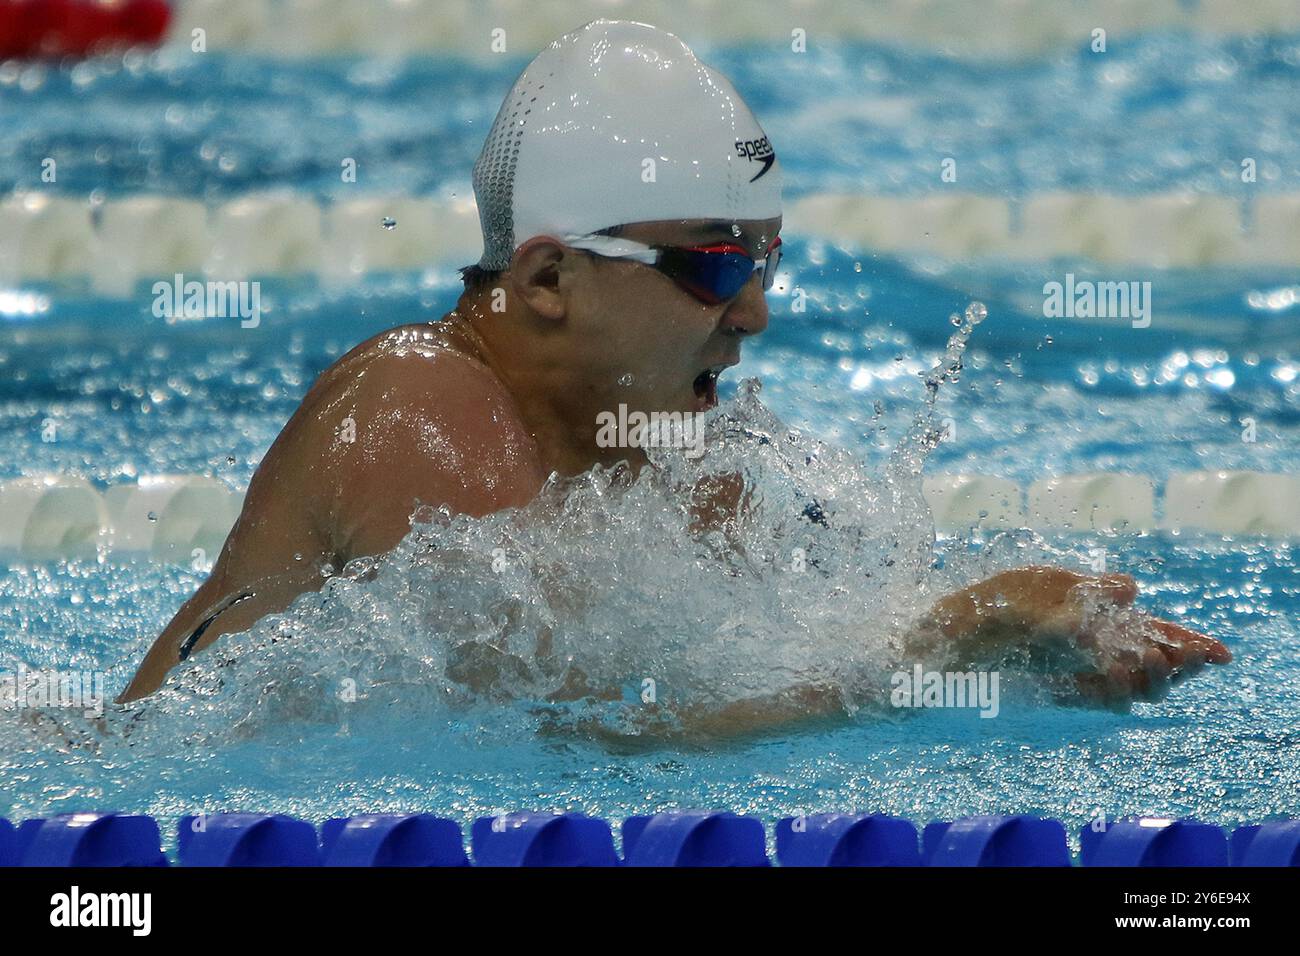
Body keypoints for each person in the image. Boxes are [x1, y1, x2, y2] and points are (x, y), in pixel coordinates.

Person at [119, 20, 1228, 722]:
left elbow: (749, 675)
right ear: (548, 276)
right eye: (710, 264)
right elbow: (574, 734)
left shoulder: (655, 451)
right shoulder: (418, 406)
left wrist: (1018, 672)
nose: (752, 311)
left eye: (763, 259)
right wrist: (944, 642)